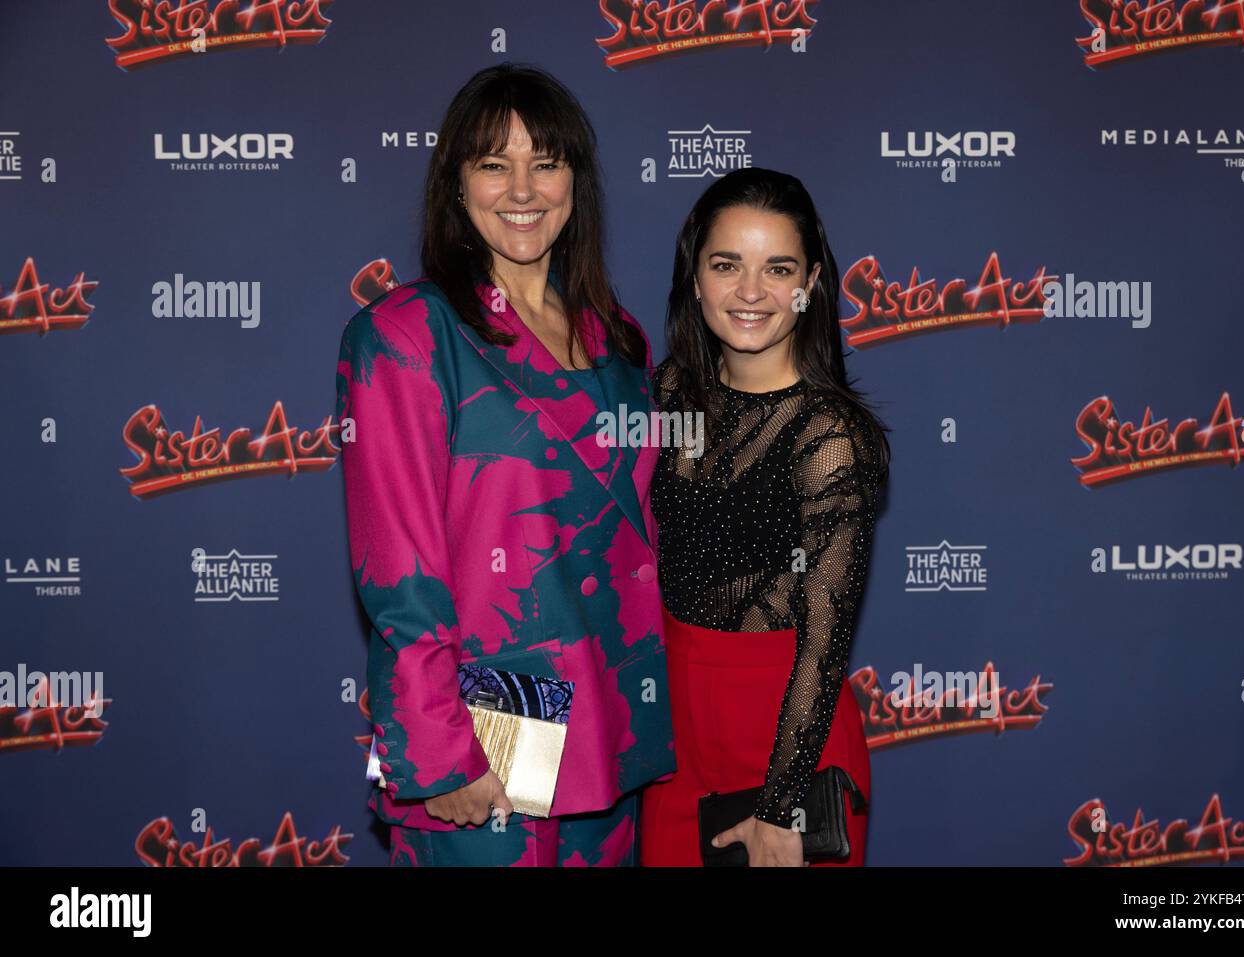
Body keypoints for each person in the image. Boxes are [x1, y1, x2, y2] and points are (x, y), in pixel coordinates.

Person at [336, 63, 674, 866]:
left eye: (546, 161)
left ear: (574, 181)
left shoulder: (617, 336)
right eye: (493, 163)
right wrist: (435, 752)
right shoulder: (406, 334)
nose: (522, 188)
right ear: (455, 183)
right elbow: (399, 568)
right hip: (486, 728)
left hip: (615, 716)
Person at [640, 167, 891, 867]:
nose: (751, 292)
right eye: (727, 265)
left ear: (808, 282)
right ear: (695, 278)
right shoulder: (665, 395)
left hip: (786, 737)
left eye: (777, 268)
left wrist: (783, 807)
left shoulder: (829, 435)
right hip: (675, 738)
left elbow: (825, 633)